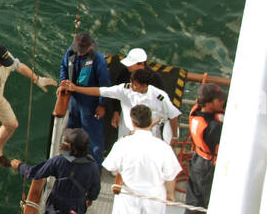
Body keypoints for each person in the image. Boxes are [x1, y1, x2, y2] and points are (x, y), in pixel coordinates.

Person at [101, 104, 183, 214]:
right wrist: (171, 194)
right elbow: (170, 175)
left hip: (129, 193)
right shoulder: (162, 147)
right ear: (151, 121)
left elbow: (111, 167)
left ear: (132, 121)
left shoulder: (123, 144)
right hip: (155, 194)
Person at [8, 128, 101, 214]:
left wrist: (19, 166)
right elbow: (95, 188)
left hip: (55, 204)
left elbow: (34, 173)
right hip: (76, 208)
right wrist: (90, 198)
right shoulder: (93, 167)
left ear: (71, 146)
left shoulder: (59, 161)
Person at [61, 67, 180, 144]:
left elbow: (172, 115)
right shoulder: (125, 89)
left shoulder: (160, 96)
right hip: (128, 131)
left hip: (150, 135)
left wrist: (174, 137)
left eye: (135, 85)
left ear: (144, 86)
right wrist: (75, 88)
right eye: (131, 83)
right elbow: (101, 91)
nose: (132, 86)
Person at [175, 83, 226, 214]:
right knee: (207, 207)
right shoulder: (213, 128)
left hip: (197, 161)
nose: (223, 102)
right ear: (210, 103)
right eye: (220, 100)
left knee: (193, 205)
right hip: (208, 169)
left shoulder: (197, 111)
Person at [59, 31, 111, 162]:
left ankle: (95, 166)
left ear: (90, 46)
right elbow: (63, 67)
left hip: (90, 103)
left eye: (83, 49)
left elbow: (105, 85)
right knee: (71, 132)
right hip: (74, 100)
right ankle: (69, 161)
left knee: (93, 137)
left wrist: (102, 104)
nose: (80, 52)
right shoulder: (70, 52)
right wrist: (63, 81)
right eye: (78, 49)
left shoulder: (99, 61)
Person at [104, 46, 167, 145]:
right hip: (127, 118)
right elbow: (118, 93)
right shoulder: (125, 73)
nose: (128, 66)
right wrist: (116, 112)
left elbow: (162, 104)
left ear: (141, 64)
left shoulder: (155, 79)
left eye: (131, 64)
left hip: (148, 121)